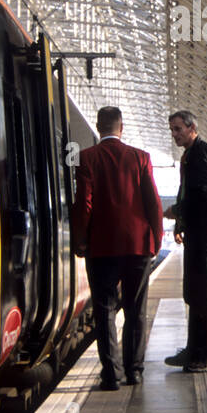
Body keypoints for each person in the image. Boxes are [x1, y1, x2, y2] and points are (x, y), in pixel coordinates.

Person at [72, 107, 164, 390]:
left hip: (101, 248)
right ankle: (134, 371)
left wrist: (81, 240)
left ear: (99, 128)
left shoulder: (87, 158)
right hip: (138, 247)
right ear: (121, 127)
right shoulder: (141, 158)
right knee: (136, 310)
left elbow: (84, 203)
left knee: (105, 310)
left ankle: (111, 374)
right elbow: (153, 203)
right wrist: (156, 240)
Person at [163, 110, 207, 373]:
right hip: (197, 232)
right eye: (172, 130)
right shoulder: (191, 155)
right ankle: (194, 349)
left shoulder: (203, 154)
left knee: (204, 291)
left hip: (206, 233)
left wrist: (177, 211)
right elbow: (188, 192)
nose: (174, 134)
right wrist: (181, 223)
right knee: (194, 291)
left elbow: (204, 195)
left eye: (178, 129)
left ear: (192, 128)